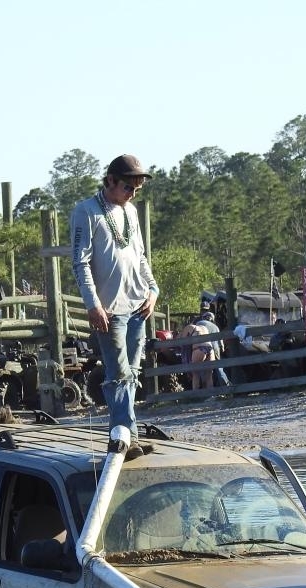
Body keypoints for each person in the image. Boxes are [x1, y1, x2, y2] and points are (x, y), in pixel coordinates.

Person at [71, 153, 160, 459]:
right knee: (118, 373)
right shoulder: (87, 212)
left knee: (133, 373)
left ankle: (127, 435)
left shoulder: (132, 212)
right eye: (127, 187)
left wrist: (153, 288)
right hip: (110, 308)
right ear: (110, 180)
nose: (132, 193)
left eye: (136, 188)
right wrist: (92, 303)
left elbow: (140, 256)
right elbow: (79, 263)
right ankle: (124, 435)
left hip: (138, 302)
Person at [179, 310, 219, 391]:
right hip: (210, 349)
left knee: (195, 374)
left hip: (199, 349)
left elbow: (181, 341)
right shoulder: (204, 328)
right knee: (209, 375)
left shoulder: (189, 327)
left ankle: (196, 395)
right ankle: (211, 396)